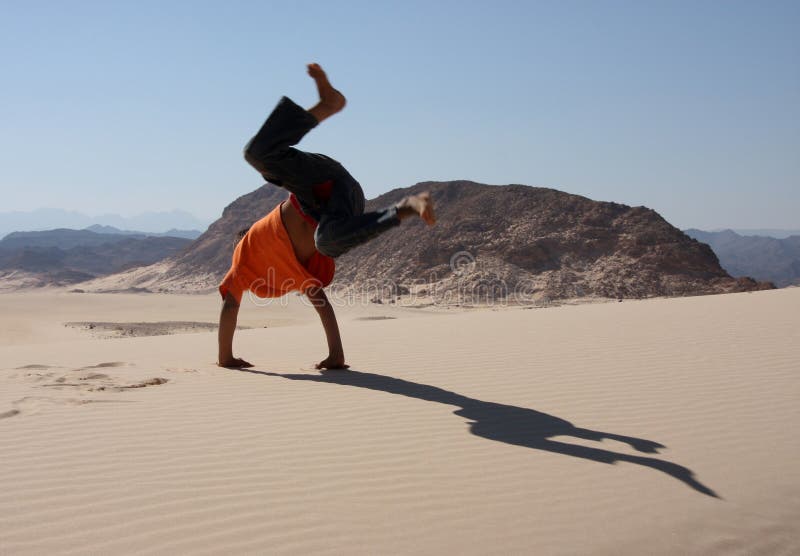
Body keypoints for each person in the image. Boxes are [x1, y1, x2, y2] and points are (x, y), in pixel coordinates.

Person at [217, 63, 436, 370]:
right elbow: (322, 303)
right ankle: (408, 207)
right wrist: (336, 355)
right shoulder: (289, 271)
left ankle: (327, 105)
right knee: (327, 242)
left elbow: (230, 306)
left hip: (317, 188)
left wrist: (224, 357)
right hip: (339, 202)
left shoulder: (244, 259)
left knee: (259, 154)